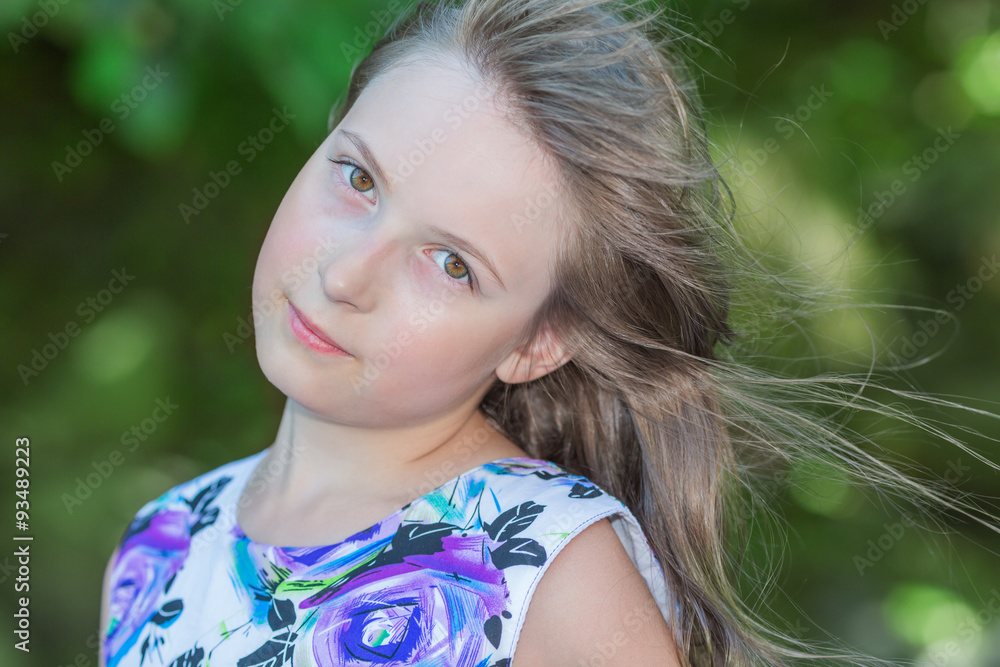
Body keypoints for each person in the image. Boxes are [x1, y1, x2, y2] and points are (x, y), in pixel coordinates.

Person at [98, 1, 1000, 665]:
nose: (346, 272)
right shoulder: (162, 544)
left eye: (452, 263)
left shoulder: (547, 576)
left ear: (539, 341)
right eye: (358, 178)